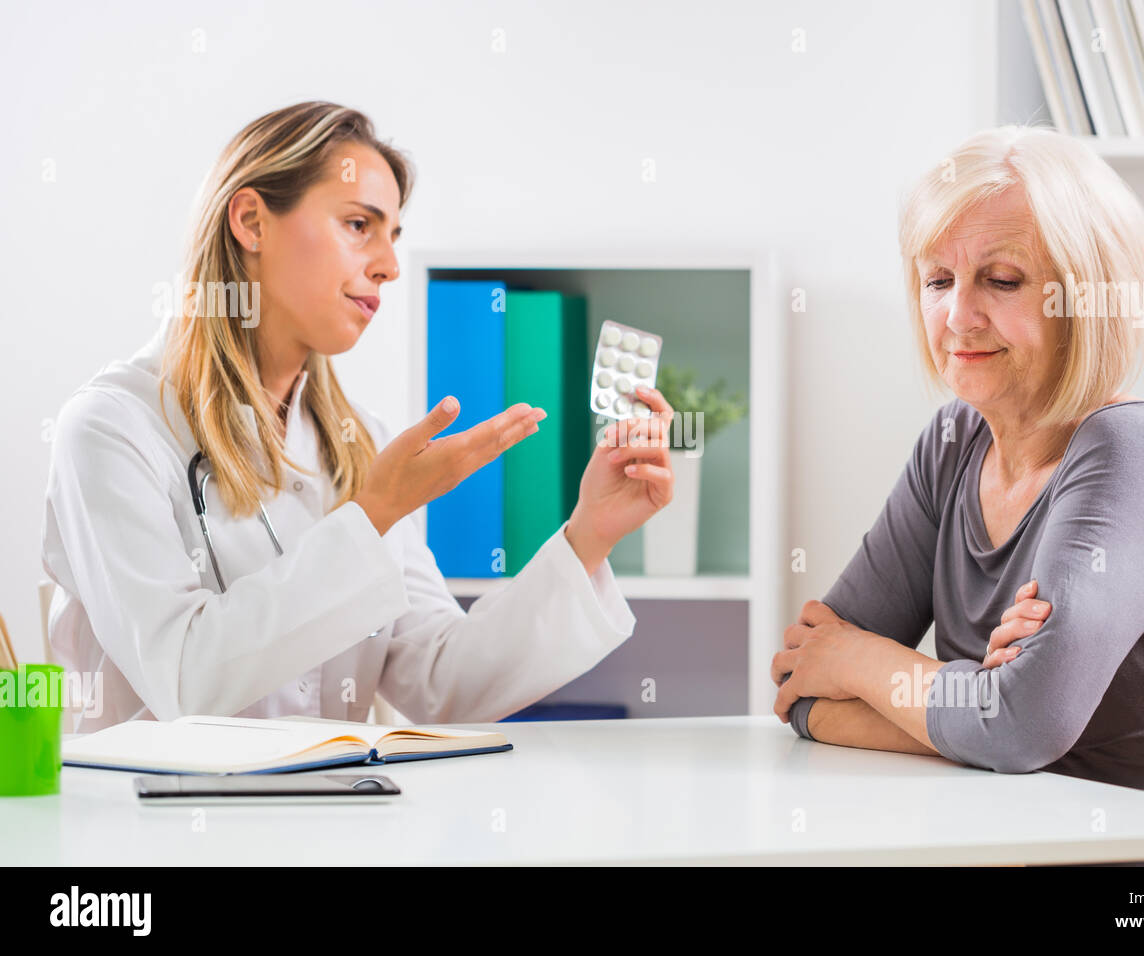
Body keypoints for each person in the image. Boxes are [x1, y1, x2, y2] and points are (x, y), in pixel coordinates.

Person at [41, 102, 674, 733]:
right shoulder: (111, 429)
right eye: (357, 224)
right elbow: (182, 678)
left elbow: (443, 681)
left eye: (393, 236)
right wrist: (372, 514)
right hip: (162, 826)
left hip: (341, 823)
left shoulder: (360, 443)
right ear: (251, 221)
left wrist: (589, 534)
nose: (389, 266)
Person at [771, 125, 1144, 866]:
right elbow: (799, 686)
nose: (957, 317)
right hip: (1025, 849)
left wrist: (860, 664)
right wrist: (981, 706)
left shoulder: (1136, 454)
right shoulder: (951, 444)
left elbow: (1014, 727)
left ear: (1088, 298)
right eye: (938, 279)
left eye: (1001, 280)